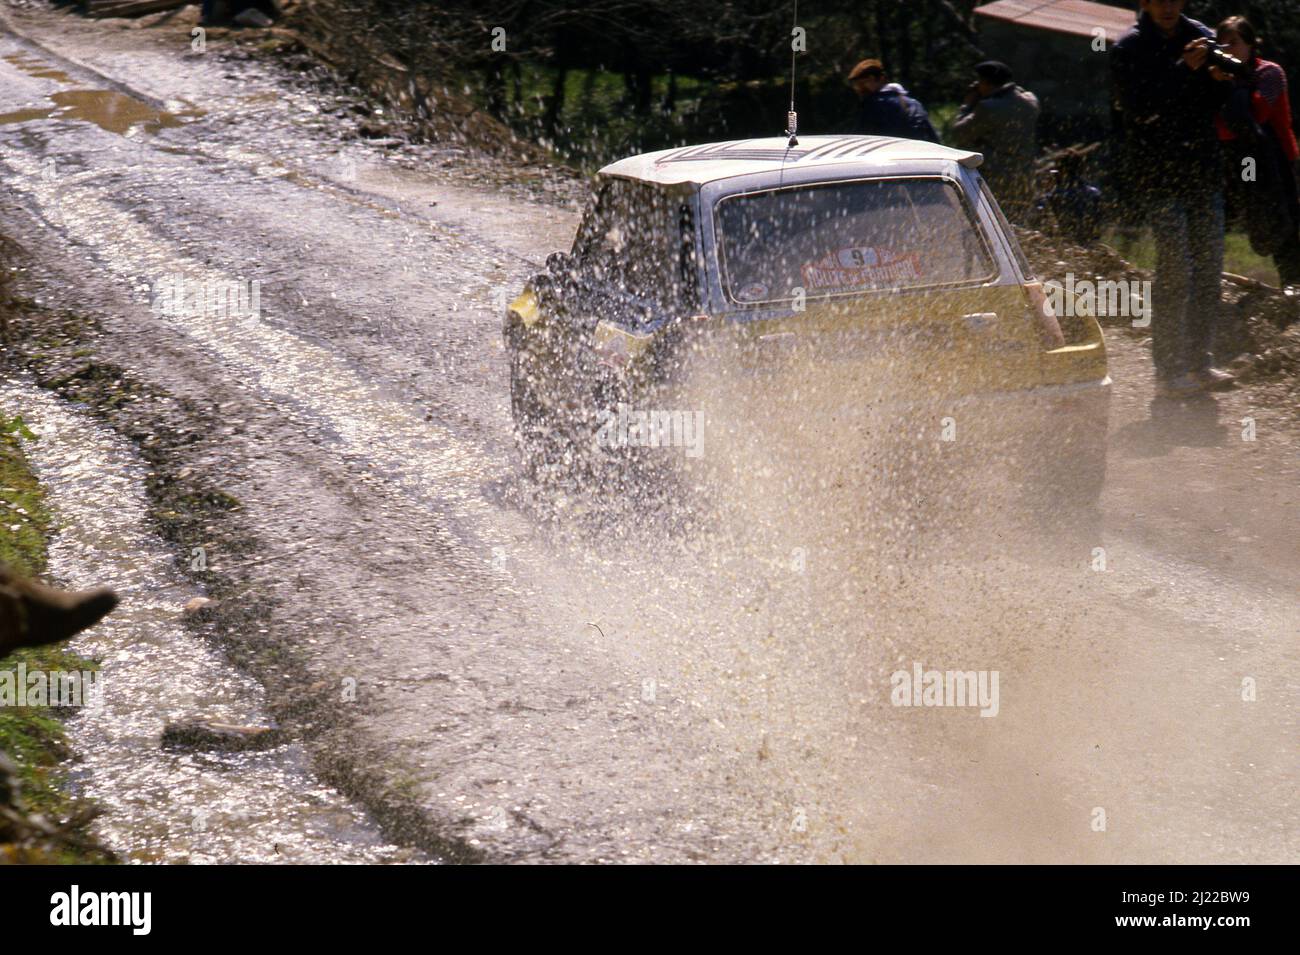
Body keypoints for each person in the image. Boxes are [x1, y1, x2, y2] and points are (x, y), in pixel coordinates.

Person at [1111, 0, 1236, 399]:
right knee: (1175, 271)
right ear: (1145, 2)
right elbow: (1139, 109)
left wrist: (1220, 79)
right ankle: (1168, 371)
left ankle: (1200, 362)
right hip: (1158, 176)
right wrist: (1185, 70)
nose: (1167, 7)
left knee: (1209, 268)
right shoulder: (1129, 48)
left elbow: (1217, 107)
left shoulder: (1202, 35)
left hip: (1202, 171)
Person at [1214, 16, 1300, 293]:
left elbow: (1257, 115)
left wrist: (1232, 84)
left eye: (1234, 43)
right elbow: (1223, 131)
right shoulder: (1219, 79)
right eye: (1222, 44)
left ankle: (1294, 287)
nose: (1228, 49)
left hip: (1281, 161)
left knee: (1288, 225)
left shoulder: (1269, 74)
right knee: (1264, 224)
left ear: (1250, 44)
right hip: (1247, 162)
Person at [950, 61, 1041, 220]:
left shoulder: (988, 107)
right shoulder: (1031, 102)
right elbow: (1019, 92)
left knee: (993, 220)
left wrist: (967, 104)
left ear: (987, 82)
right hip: (1024, 176)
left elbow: (959, 133)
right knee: (1019, 222)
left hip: (996, 178)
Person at [847, 59, 939, 143]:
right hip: (921, 157)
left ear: (874, 79)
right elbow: (934, 141)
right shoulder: (914, 104)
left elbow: (859, 140)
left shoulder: (871, 105)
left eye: (862, 84)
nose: (859, 89)